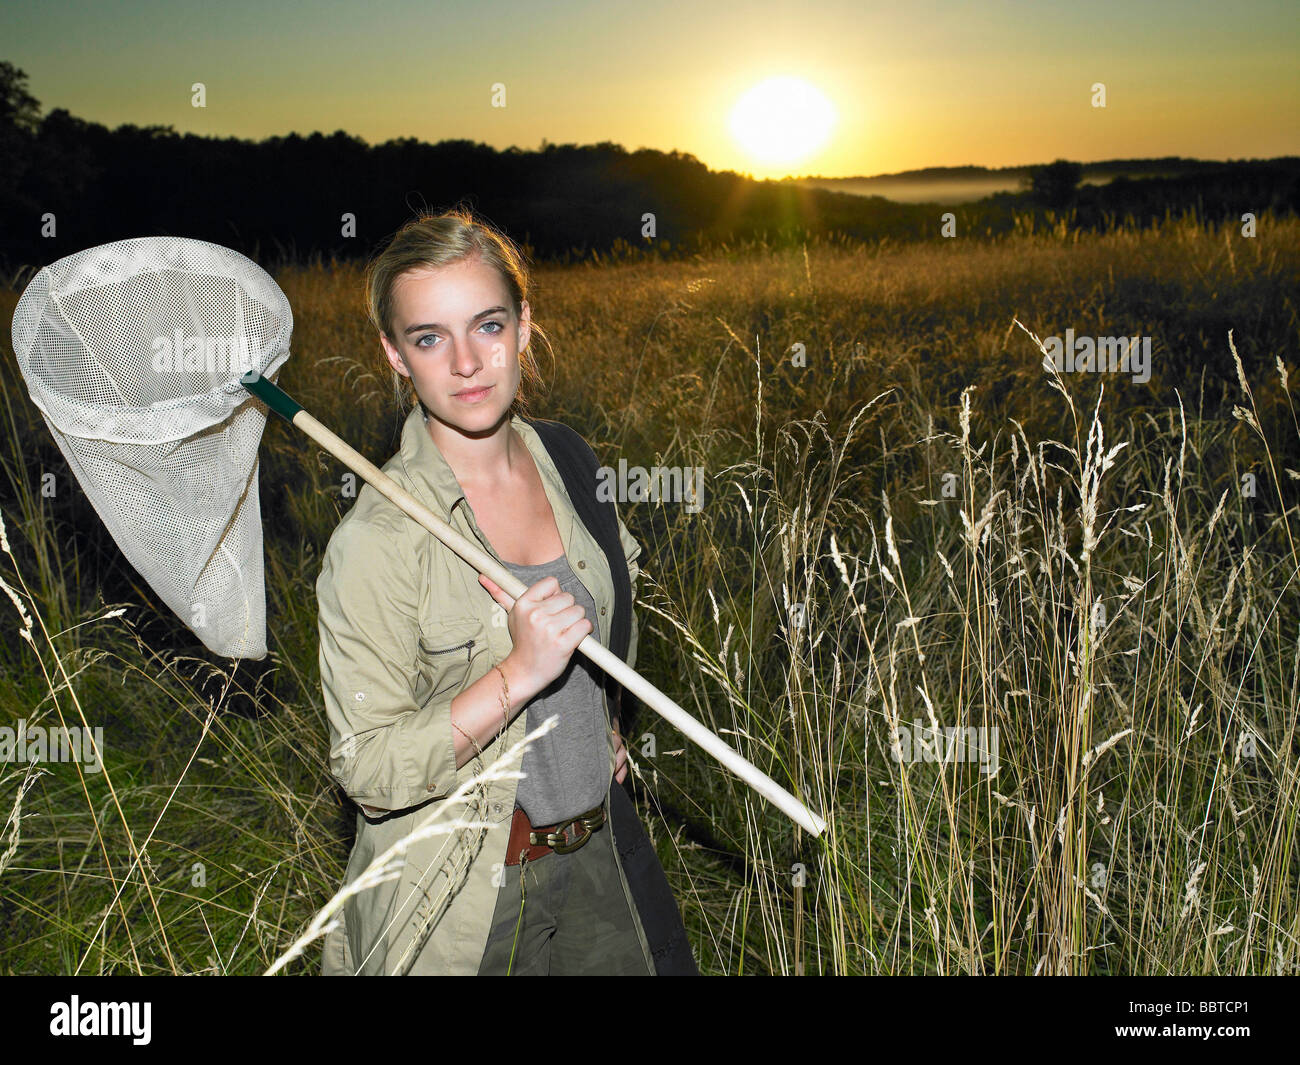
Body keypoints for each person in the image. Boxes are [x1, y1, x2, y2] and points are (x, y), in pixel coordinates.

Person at [316, 207, 692, 975]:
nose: (465, 362)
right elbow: (368, 767)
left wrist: (602, 725)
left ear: (524, 326)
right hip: (470, 893)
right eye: (429, 338)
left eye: (487, 326)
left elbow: (604, 621)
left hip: (602, 858)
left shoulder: (572, 459)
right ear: (396, 355)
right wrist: (517, 673)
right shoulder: (378, 541)